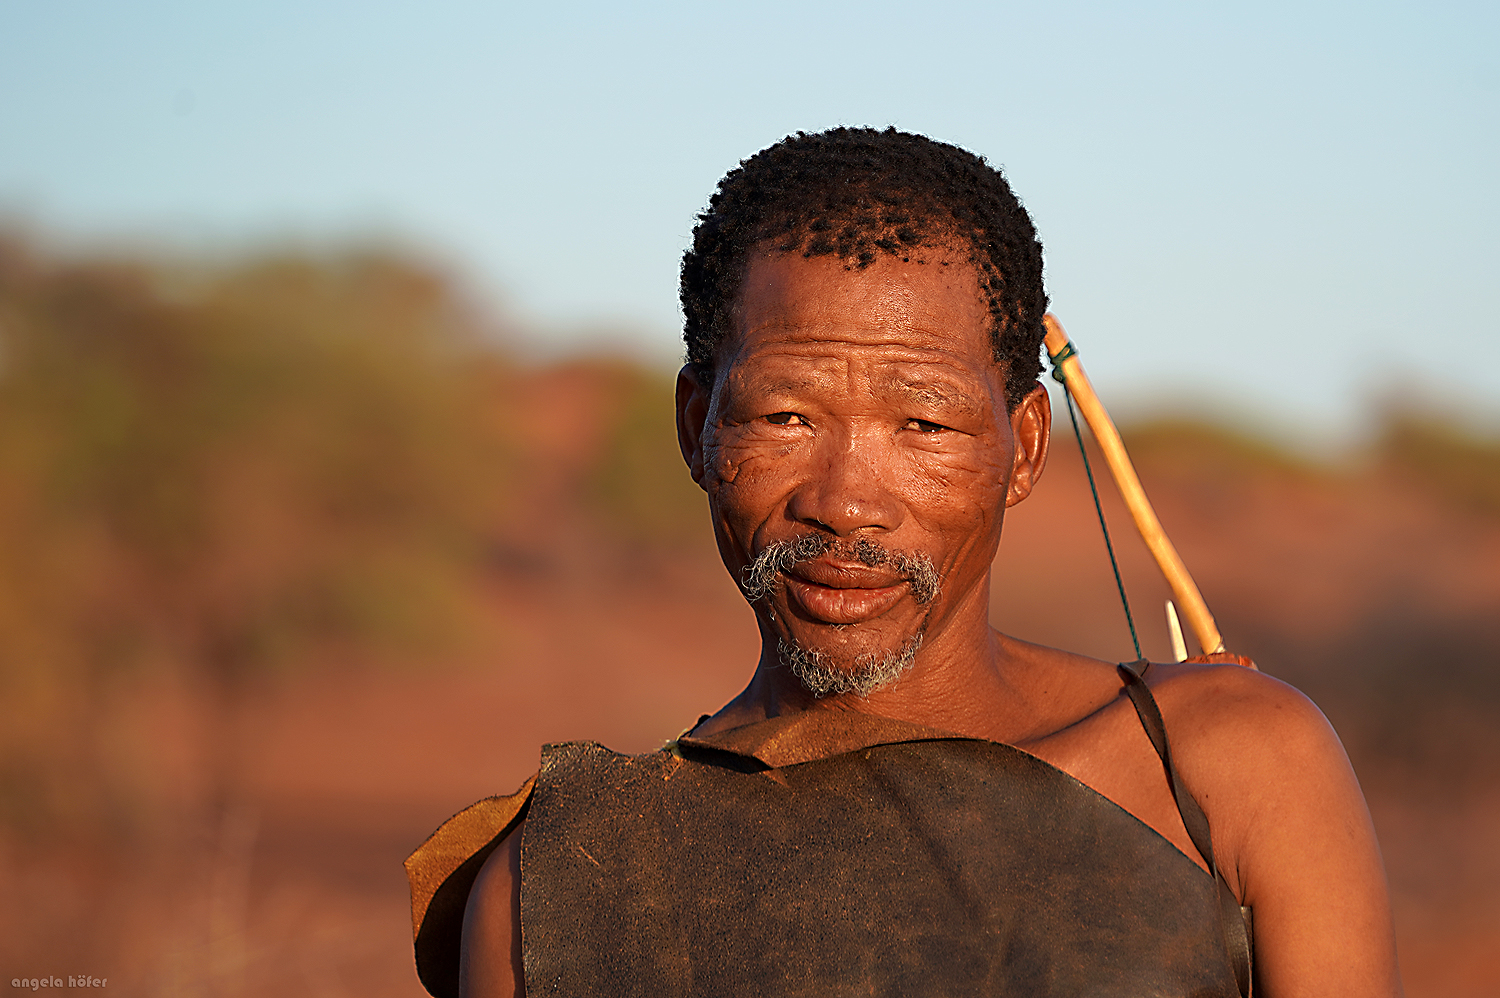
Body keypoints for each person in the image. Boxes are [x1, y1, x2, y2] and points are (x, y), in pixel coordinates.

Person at [405, 127, 1402, 998]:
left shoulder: (1228, 767)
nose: (845, 501)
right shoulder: (565, 877)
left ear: (1024, 448)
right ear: (695, 425)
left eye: (924, 422)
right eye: (786, 415)